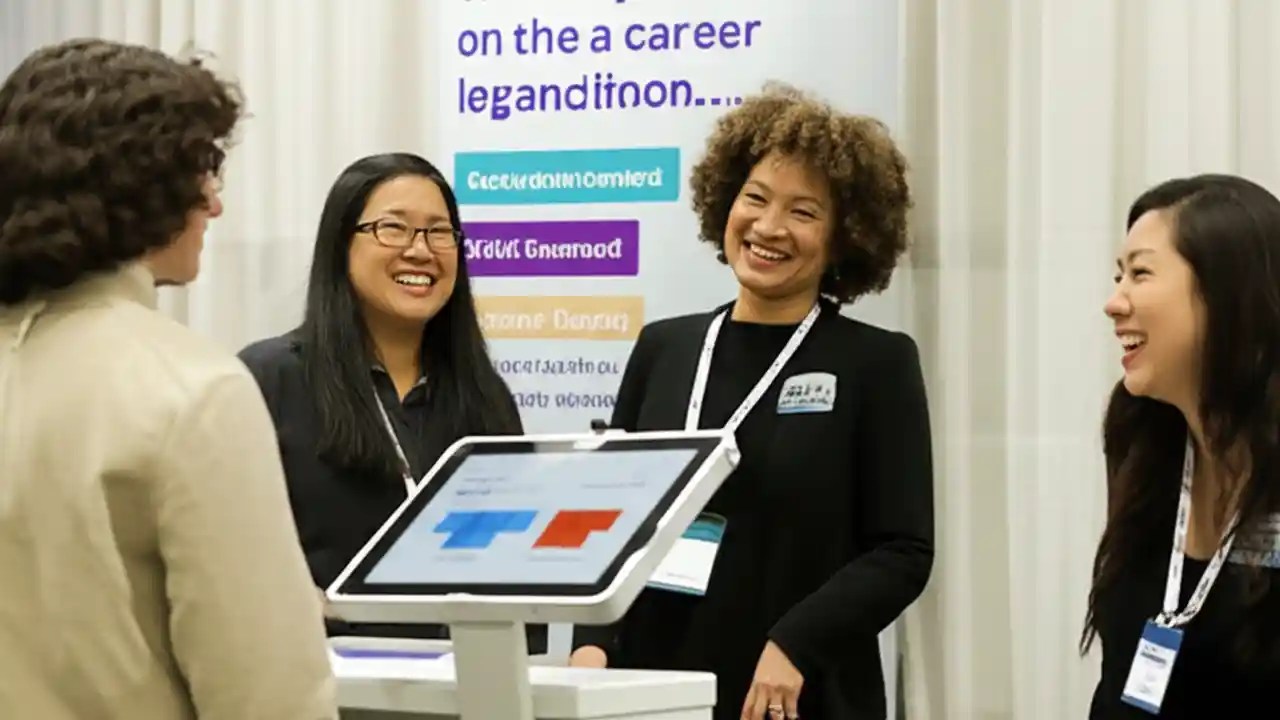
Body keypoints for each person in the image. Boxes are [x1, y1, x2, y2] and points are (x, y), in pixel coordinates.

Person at [569, 82, 934, 720]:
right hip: (651, 685)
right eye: (756, 198)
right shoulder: (664, 348)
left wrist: (796, 644)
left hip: (794, 692)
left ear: (845, 236)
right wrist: (591, 646)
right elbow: (611, 517)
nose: (768, 227)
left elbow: (902, 552)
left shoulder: (876, 363)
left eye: (803, 212)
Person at [0, 39, 336, 718]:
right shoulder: (193, 393)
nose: (214, 204)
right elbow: (270, 698)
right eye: (204, 170)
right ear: (143, 180)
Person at [238, 153, 541, 647]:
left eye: (439, 232)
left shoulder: (485, 397)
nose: (420, 251)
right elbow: (230, 556)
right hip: (319, 679)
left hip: (467, 677)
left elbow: (515, 564)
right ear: (341, 242)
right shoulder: (269, 378)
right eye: (393, 228)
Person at [1084, 174, 1280, 718]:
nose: (1114, 303)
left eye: (1140, 273)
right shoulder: (1143, 441)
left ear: (1226, 293)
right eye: (1119, 276)